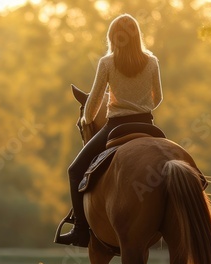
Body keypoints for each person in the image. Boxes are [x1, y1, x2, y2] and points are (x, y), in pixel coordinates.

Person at [55, 14, 163, 247]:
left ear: (113, 38)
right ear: (138, 36)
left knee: (74, 171)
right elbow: (158, 99)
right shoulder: (152, 62)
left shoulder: (107, 63)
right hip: (148, 124)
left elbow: (93, 101)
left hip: (116, 125)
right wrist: (141, 105)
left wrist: (87, 120)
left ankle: (80, 230)